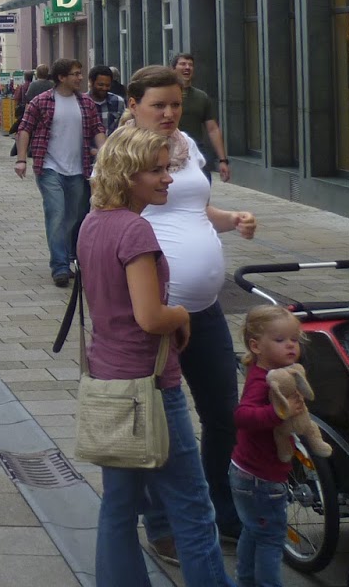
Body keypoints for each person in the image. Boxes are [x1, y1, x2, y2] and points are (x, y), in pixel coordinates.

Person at [77, 126, 235, 587]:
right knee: (192, 505)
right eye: (157, 170)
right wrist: (182, 313)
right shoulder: (136, 229)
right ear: (128, 176)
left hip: (108, 379)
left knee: (119, 506)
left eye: (167, 168)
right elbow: (149, 317)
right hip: (148, 385)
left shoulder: (93, 222)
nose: (168, 179)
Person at [125, 66, 255, 558]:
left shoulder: (185, 146)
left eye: (175, 104)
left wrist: (232, 220)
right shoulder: (122, 153)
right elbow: (109, 222)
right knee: (164, 426)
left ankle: (221, 509)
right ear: (134, 104)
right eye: (158, 104)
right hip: (158, 317)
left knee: (225, 414)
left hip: (205, 308)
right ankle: (162, 523)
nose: (169, 112)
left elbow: (196, 209)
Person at [230, 306, 309, 587]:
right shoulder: (262, 381)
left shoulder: (272, 372)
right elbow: (242, 415)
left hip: (247, 471)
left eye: (294, 339)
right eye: (280, 340)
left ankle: (246, 580)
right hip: (260, 478)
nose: (290, 345)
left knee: (253, 531)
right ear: (256, 345)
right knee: (272, 539)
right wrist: (279, 414)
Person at [14, 58, 107, 287]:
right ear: (61, 77)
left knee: (76, 217)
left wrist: (106, 155)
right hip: (49, 167)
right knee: (56, 213)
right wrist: (21, 160)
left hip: (79, 169)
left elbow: (97, 129)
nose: (79, 78)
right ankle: (60, 267)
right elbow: (24, 129)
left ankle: (70, 257)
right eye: (75, 74)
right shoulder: (42, 101)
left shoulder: (85, 103)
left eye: (79, 73)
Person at [172, 54, 231, 183]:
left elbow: (213, 129)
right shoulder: (166, 95)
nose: (187, 67)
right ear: (173, 68)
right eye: (182, 64)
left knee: (202, 190)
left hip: (196, 152)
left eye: (190, 65)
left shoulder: (201, 97)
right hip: (170, 150)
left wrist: (223, 160)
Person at [89, 65, 126, 134]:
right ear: (91, 82)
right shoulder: (82, 102)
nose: (104, 88)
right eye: (100, 85)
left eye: (107, 85)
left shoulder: (118, 102)